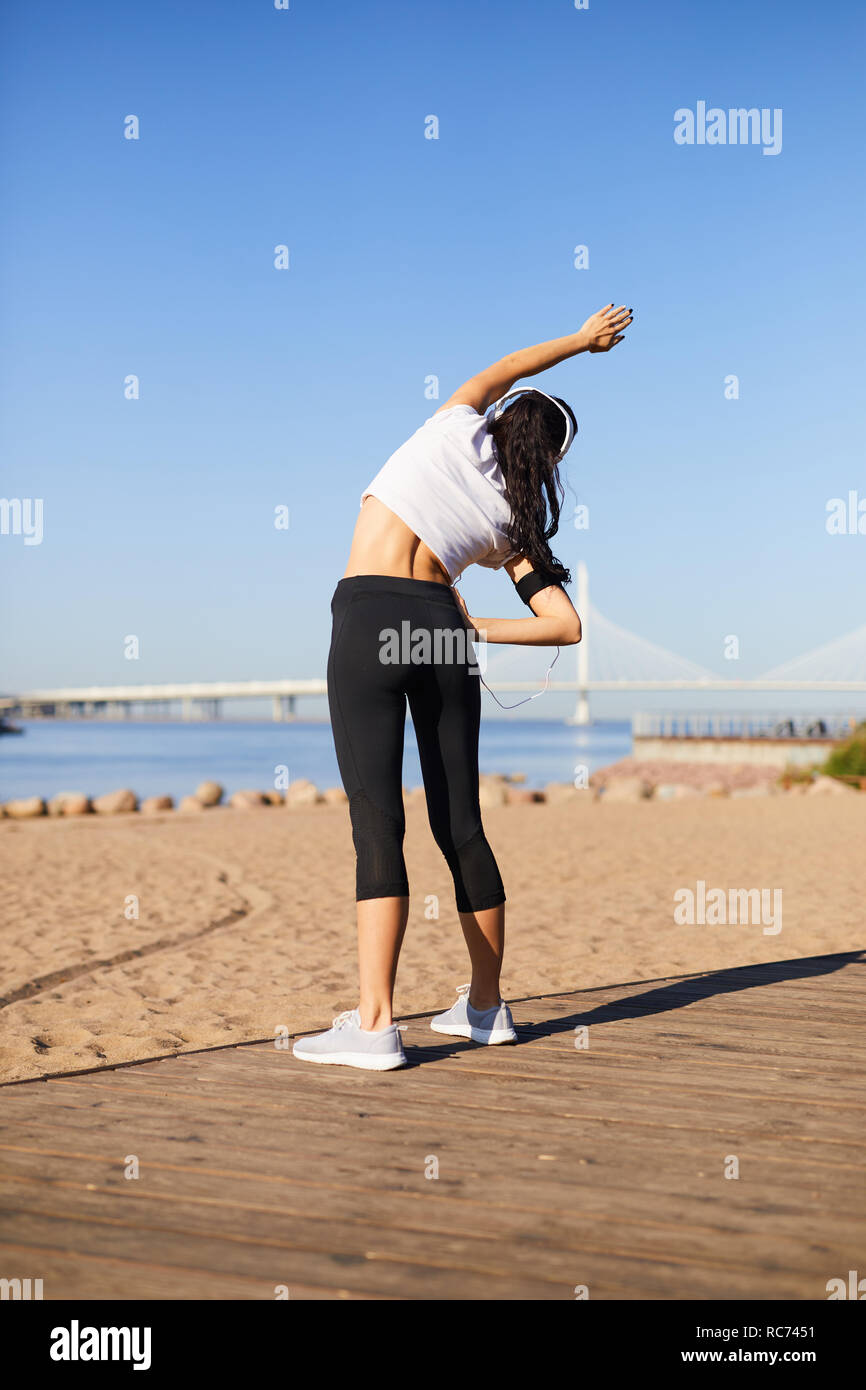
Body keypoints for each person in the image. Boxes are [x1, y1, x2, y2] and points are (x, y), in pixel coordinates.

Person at [293, 303, 633, 1070]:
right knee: (462, 826)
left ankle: (376, 1025)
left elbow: (508, 365)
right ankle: (485, 1009)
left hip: (370, 615)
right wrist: (471, 627)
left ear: (506, 417)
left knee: (378, 826)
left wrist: (582, 341)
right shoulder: (512, 523)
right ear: (549, 464)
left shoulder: (449, 427)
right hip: (441, 631)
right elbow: (564, 624)